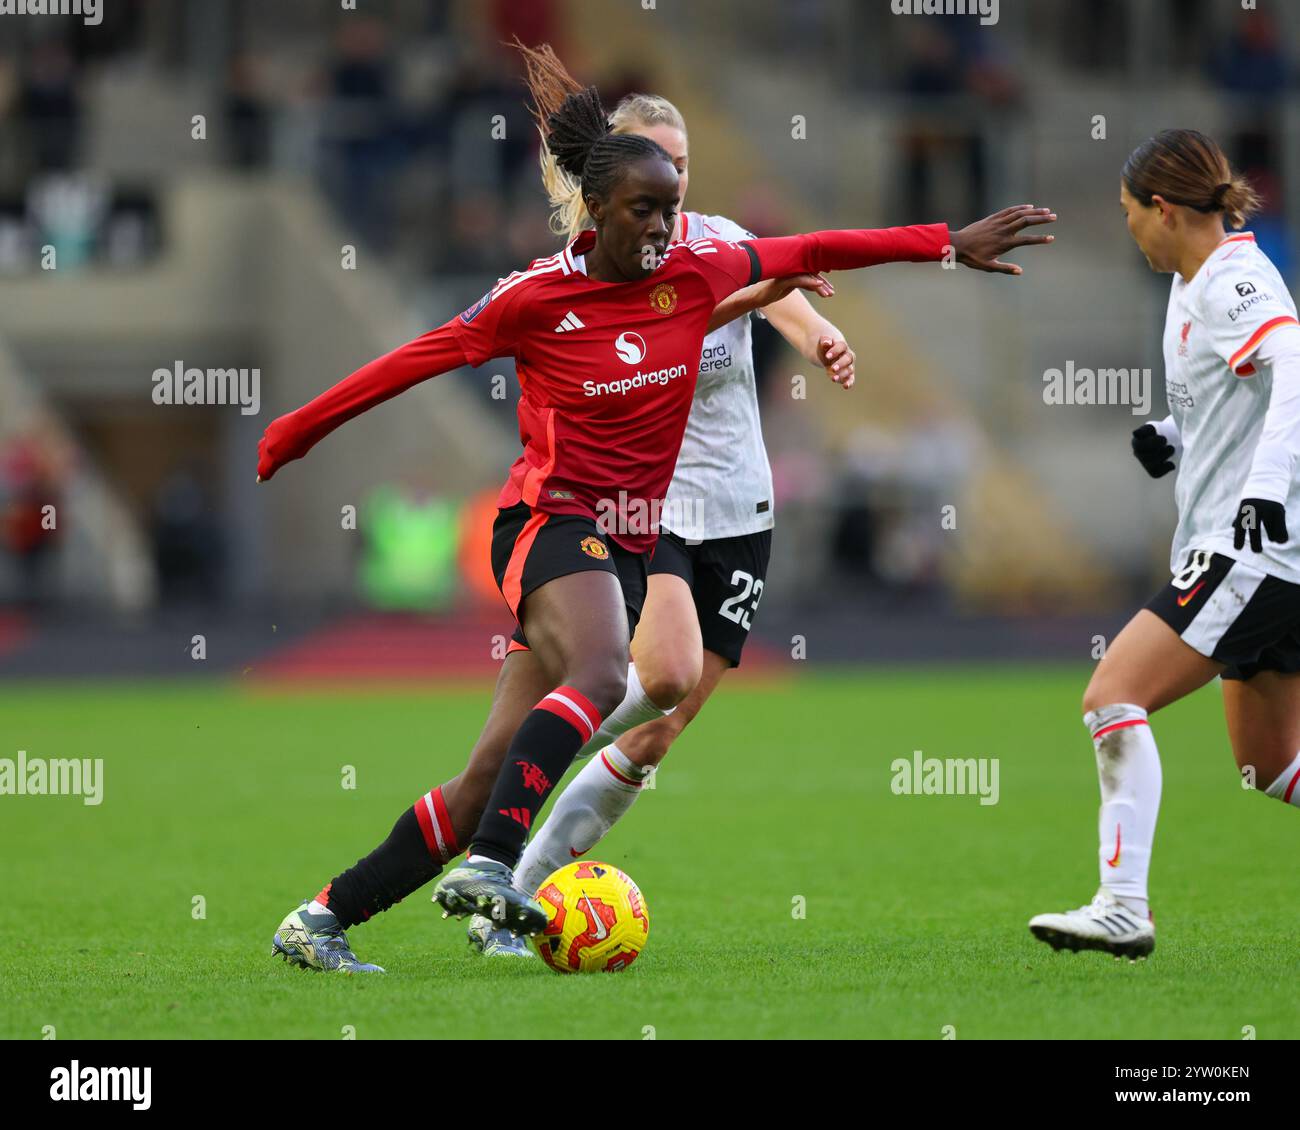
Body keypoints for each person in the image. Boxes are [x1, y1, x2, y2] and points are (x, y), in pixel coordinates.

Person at [259, 79, 1055, 972]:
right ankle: (494, 865)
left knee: (489, 775)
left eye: (673, 208)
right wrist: (296, 431)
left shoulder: (695, 271)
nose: (662, 228)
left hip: (623, 545)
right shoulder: (533, 298)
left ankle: (321, 919)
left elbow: (824, 243)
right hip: (546, 524)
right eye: (643, 209)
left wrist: (949, 242)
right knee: (607, 672)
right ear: (594, 210)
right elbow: (412, 360)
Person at [464, 44, 855, 958]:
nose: (670, 180)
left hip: (742, 512)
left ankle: (510, 893)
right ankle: (509, 802)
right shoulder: (600, 268)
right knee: (665, 670)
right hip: (650, 504)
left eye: (681, 165)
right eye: (654, 163)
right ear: (612, 173)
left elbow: (774, 290)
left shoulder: (710, 242)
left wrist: (820, 327)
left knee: (657, 733)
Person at [1029, 129, 1300, 960]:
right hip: (1251, 549)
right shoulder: (1190, 285)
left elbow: (1294, 368)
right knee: (1268, 766)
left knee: (1112, 696)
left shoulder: (1234, 279)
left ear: (1164, 208)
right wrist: (1175, 435)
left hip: (1250, 546)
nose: (1127, 231)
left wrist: (1263, 490)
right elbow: (1243, 393)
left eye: (1127, 214)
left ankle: (1122, 905)